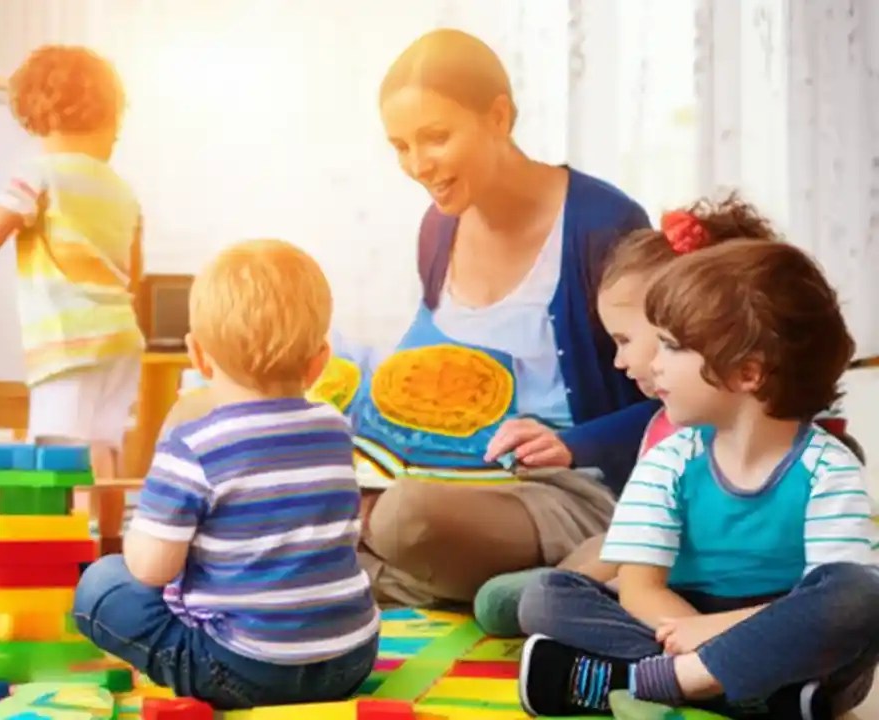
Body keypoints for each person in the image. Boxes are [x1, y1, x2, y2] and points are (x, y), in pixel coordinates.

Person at [346, 28, 657, 608]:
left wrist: (571, 443)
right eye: (400, 146)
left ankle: (397, 578)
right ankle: (527, 592)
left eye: (435, 137)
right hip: (454, 484)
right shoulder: (439, 228)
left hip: (569, 493)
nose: (418, 165)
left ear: (498, 116)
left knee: (404, 519)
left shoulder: (600, 225)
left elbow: (682, 393)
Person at [516, 240, 879, 719]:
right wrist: (704, 638)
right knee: (547, 596)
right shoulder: (668, 461)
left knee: (862, 594)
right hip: (680, 620)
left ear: (747, 373)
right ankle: (753, 695)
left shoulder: (829, 468)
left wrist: (722, 635)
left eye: (671, 345)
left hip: (785, 629)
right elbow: (639, 588)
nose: (654, 363)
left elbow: (834, 596)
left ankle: (641, 680)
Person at [72, 240, 380, 710]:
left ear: (197, 356)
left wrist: (143, 533)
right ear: (320, 360)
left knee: (100, 584)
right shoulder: (336, 429)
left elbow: (152, 569)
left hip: (247, 671)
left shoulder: (192, 446)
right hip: (350, 659)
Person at [473, 196, 779, 635]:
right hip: (658, 575)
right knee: (584, 570)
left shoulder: (769, 442)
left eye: (625, 339)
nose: (619, 361)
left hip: (708, 594)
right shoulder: (665, 430)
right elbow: (639, 548)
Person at [0, 44, 144, 484]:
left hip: (68, 341)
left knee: (64, 452)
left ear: (40, 116)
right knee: (104, 445)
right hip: (120, 339)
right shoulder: (122, 190)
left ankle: (79, 540)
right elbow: (137, 272)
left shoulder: (39, 174)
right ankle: (109, 538)